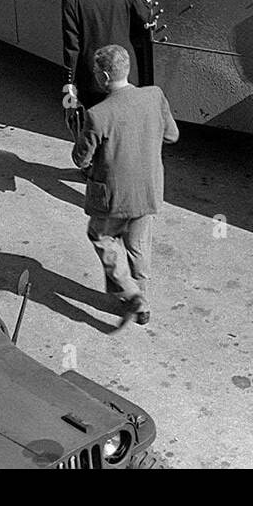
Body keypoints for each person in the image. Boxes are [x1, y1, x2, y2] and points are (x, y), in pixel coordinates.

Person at [72, 44, 179, 330]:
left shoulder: (98, 114)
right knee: (138, 246)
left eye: (96, 72)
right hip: (148, 190)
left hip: (114, 198)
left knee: (99, 235)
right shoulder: (154, 96)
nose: (94, 76)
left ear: (105, 76)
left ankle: (130, 294)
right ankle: (142, 306)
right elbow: (172, 135)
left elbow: (81, 159)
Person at [61, 0, 154, 127]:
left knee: (96, 126)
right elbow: (146, 16)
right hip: (125, 73)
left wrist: (70, 84)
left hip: (91, 75)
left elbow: (72, 45)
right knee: (125, 126)